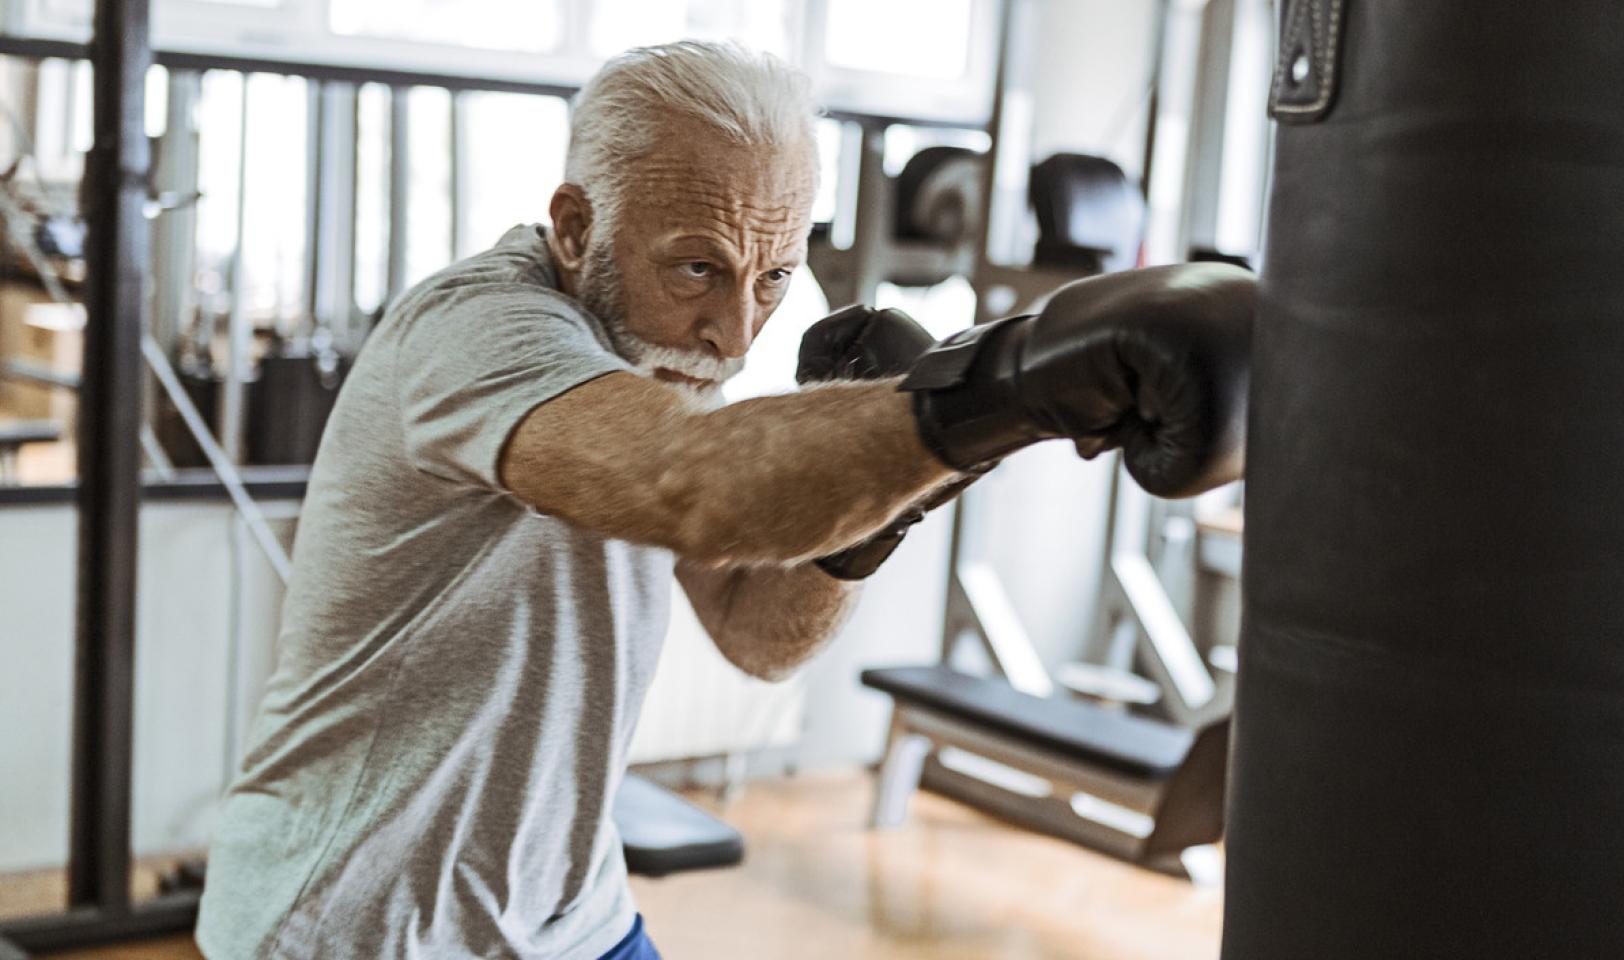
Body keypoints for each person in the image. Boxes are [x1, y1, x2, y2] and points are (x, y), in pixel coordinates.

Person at [196, 39, 1253, 960]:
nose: (735, 334)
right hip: (356, 923)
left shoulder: (674, 356)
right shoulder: (476, 333)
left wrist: (884, 504)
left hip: (564, 914)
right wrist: (998, 389)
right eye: (696, 267)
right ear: (574, 226)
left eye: (773, 278)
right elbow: (690, 485)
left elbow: (760, 635)